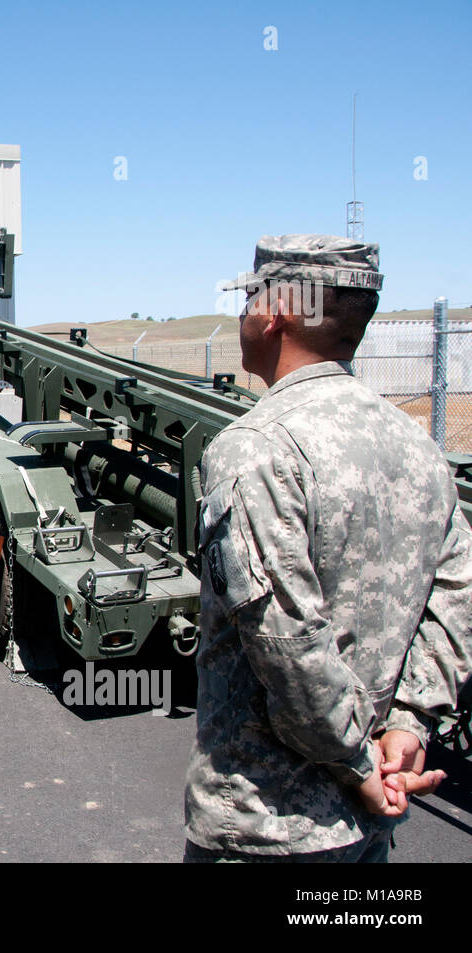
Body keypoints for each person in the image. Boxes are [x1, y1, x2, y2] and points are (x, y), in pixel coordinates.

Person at [185, 234, 472, 862]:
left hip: (263, 822)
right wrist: (407, 726)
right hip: (368, 820)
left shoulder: (255, 447)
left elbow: (287, 641)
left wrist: (356, 764)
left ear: (275, 312)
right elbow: (454, 600)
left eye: (247, 300)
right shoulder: (418, 445)